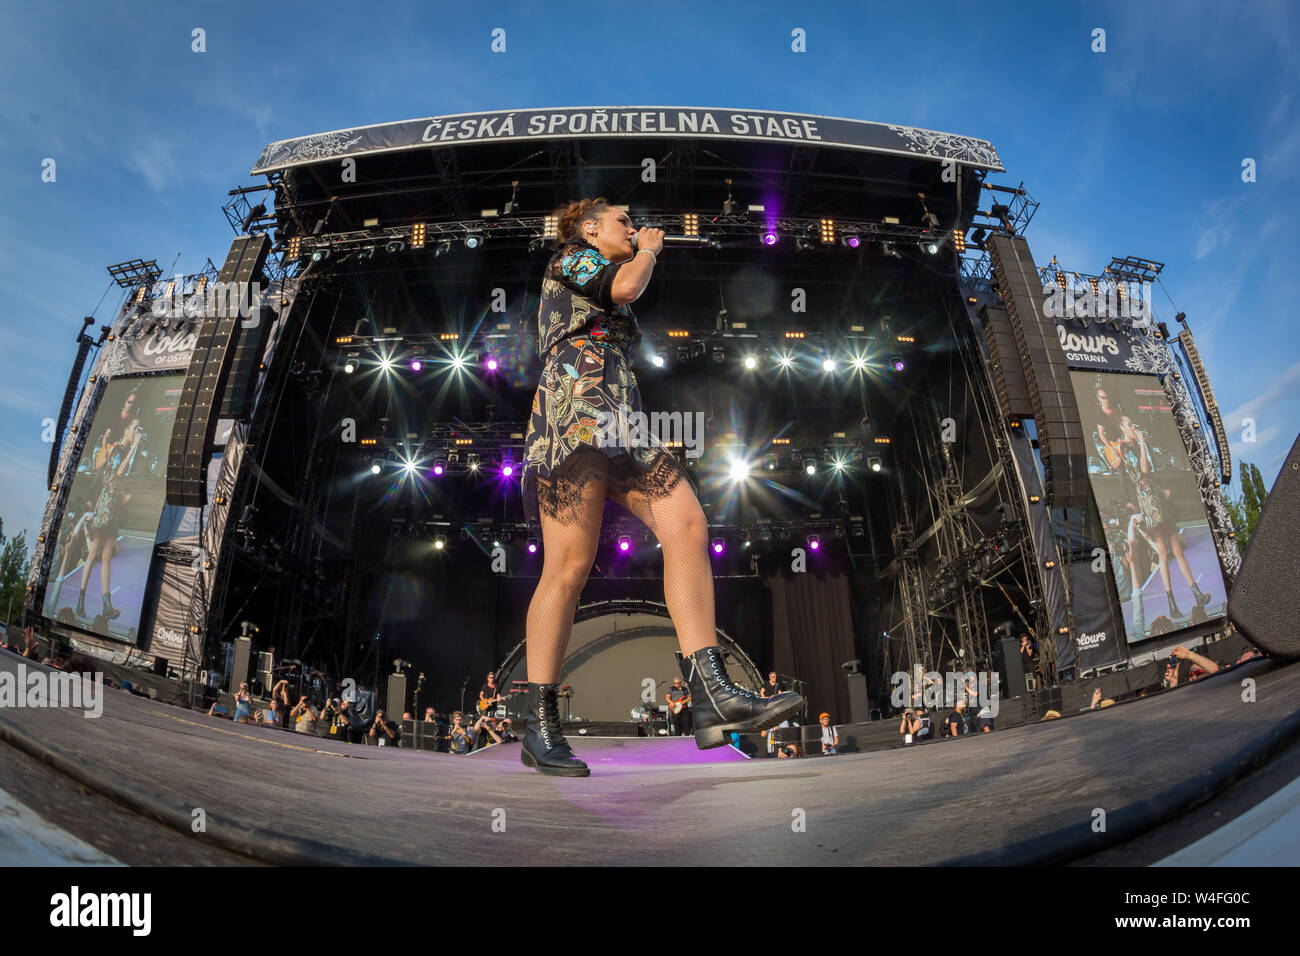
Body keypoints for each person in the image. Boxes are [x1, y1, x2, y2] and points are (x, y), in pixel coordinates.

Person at [517, 197, 803, 776]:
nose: (634, 227)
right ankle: (539, 723)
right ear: (590, 228)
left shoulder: (597, 267)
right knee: (568, 567)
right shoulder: (570, 259)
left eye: (634, 225)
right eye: (623, 220)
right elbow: (624, 289)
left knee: (689, 524)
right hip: (573, 411)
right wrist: (646, 250)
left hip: (623, 419)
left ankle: (712, 692)